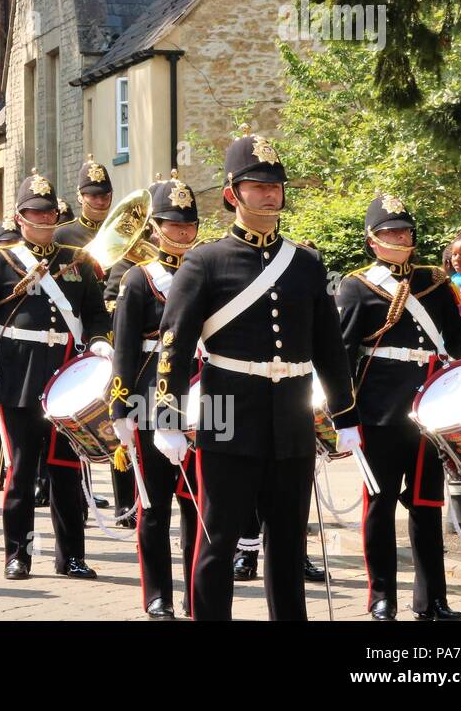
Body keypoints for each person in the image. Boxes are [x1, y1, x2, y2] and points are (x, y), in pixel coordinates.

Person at [154, 128, 361, 621]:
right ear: (232, 194)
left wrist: (346, 412)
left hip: (290, 414)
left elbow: (329, 346)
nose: (270, 194)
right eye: (257, 186)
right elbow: (174, 344)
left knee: (288, 541)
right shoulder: (203, 262)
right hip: (227, 411)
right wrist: (166, 415)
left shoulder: (306, 263)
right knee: (218, 540)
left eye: (275, 186)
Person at [0, 170, 110, 582]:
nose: (43, 221)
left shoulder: (76, 260)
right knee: (22, 471)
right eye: (34, 213)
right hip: (19, 377)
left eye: (48, 214)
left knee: (67, 471)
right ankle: (18, 555)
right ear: (20, 217)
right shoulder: (0, 260)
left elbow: (97, 313)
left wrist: (99, 342)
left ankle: (71, 556)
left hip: (67, 377)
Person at [337, 195, 461, 620]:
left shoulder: (433, 281)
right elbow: (341, 354)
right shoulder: (357, 286)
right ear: (373, 241)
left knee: (427, 505)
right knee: (379, 506)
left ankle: (433, 600)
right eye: (392, 232)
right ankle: (382, 597)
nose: (402, 238)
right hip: (380, 411)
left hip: (430, 410)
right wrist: (344, 416)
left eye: (406, 231)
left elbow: (455, 334)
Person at [109, 173, 201, 618]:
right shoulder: (139, 278)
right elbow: (125, 349)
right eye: (173, 224)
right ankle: (158, 594)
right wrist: (120, 408)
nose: (182, 232)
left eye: (188, 225)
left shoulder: (209, 271)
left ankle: (196, 592)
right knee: (154, 504)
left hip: (205, 399)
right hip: (149, 399)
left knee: (197, 502)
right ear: (155, 228)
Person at [56, 155, 128, 522]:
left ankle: (125, 502)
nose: (100, 201)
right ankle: (81, 494)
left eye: (105, 195)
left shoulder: (128, 230)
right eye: (93, 195)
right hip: (80, 332)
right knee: (81, 414)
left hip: (118, 330)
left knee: (120, 413)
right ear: (80, 196)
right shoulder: (64, 235)